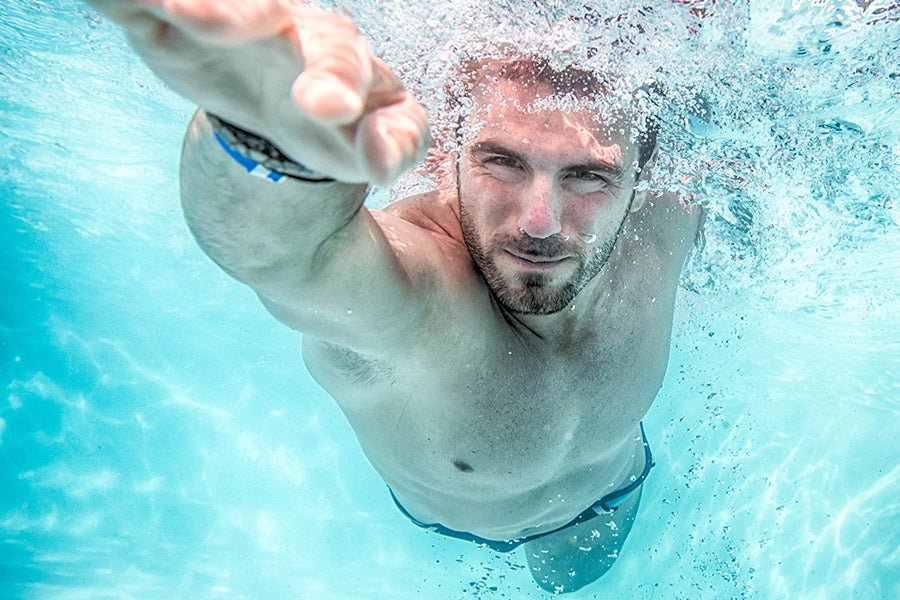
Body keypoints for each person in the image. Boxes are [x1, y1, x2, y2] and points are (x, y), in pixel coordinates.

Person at [85, 0, 703, 593]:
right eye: (501, 163)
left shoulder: (667, 220)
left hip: (614, 491)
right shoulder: (422, 291)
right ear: (450, 151)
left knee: (570, 585)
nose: (539, 222)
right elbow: (287, 256)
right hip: (457, 520)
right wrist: (264, 131)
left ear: (642, 175)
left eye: (589, 176)